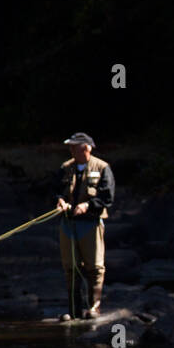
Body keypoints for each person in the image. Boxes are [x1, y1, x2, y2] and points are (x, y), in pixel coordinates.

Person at [55, 132, 115, 320]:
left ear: (87, 148)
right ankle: (74, 310)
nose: (71, 150)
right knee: (71, 266)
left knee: (95, 267)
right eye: (70, 147)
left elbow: (107, 197)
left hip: (91, 224)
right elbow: (57, 191)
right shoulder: (65, 168)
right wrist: (60, 202)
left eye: (75, 146)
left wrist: (88, 205)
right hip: (68, 224)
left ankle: (94, 308)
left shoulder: (103, 167)